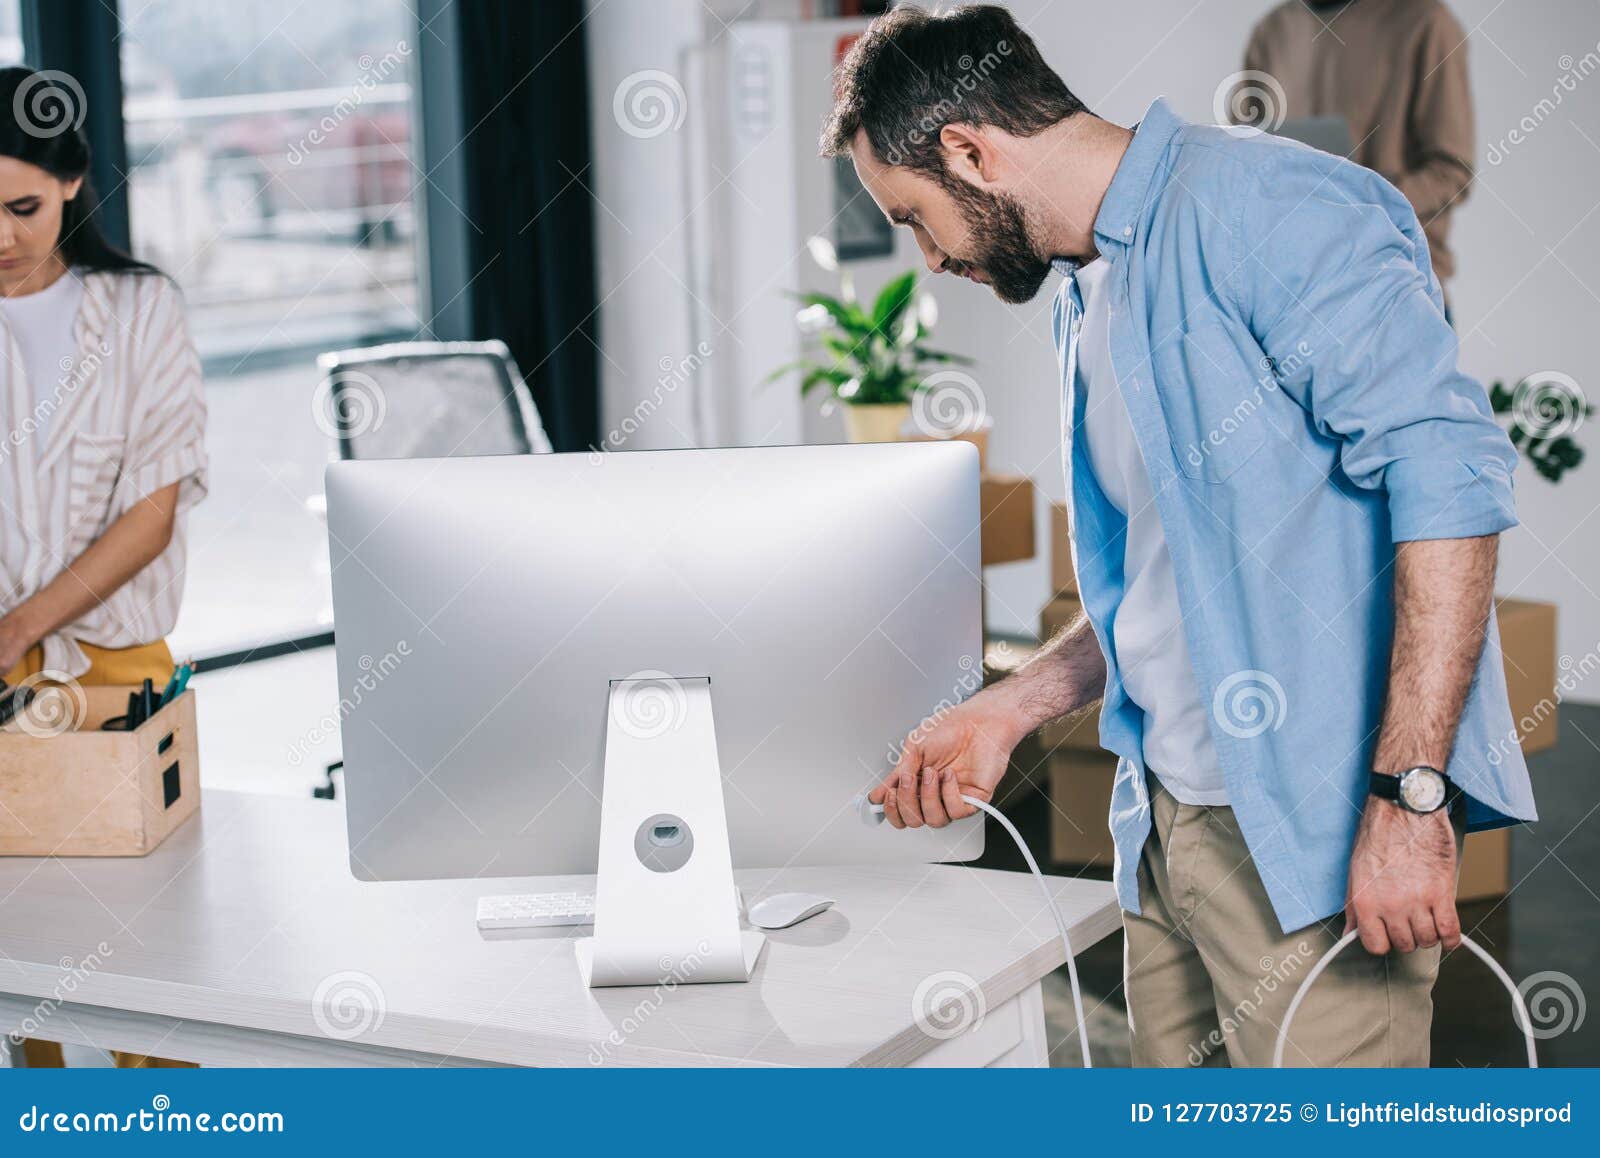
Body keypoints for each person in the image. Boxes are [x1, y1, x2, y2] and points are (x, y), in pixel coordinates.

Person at [827, 6, 1534, 1067]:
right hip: (1164, 826)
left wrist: (1408, 799)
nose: (928, 259)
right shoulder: (1089, 290)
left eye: (919, 218)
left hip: (1313, 831)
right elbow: (1173, 577)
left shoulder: (1272, 204)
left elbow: (1451, 479)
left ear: (971, 152)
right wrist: (1013, 704)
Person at [0, 67, 208, 1068]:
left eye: (23, 207)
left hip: (117, 677)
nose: (2, 236)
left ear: (72, 184)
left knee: (148, 958)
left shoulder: (139, 313)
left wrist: (22, 624)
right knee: (24, 966)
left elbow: (153, 512)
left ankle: (164, 1129)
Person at [1238, 0, 1475, 302]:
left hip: (1394, 294)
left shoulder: (1426, 21)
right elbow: (1246, 163)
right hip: (1291, 299)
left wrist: (1364, 208)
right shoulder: (1271, 31)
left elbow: (1451, 170)